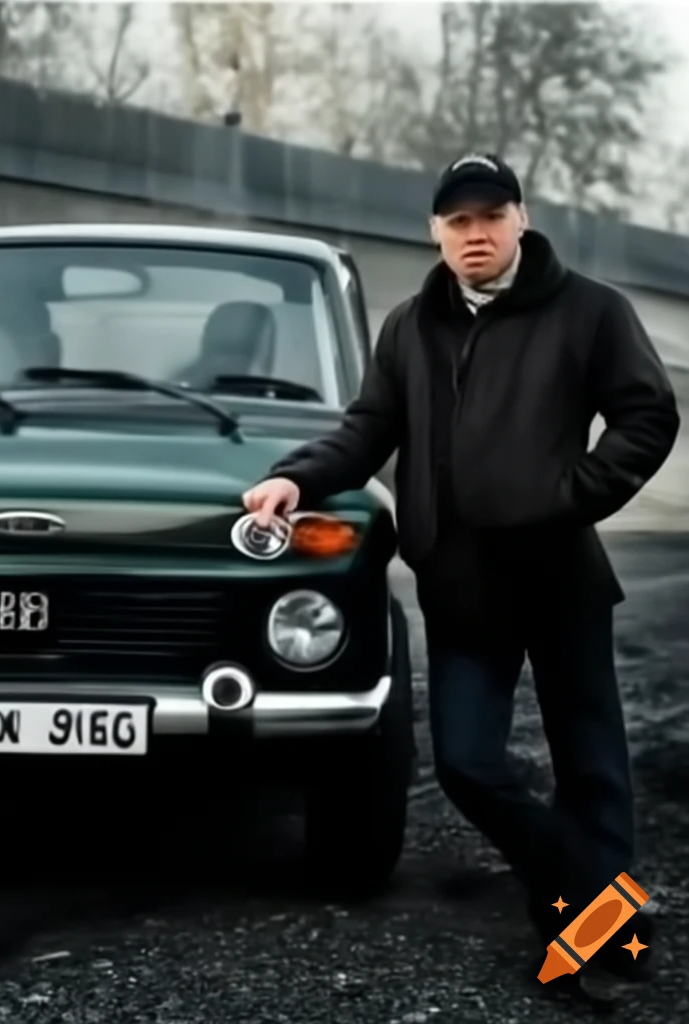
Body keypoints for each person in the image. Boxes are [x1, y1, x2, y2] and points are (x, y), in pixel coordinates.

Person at [242, 153, 680, 1001]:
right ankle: (600, 900)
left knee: (592, 769)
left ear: (521, 218)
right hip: (461, 584)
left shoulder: (591, 311)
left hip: (558, 576)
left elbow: (647, 414)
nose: (474, 234)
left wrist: (572, 495)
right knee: (469, 766)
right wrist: (297, 474)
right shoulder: (409, 325)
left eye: (490, 216)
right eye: (457, 221)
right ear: (435, 231)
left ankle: (596, 949)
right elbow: (368, 427)